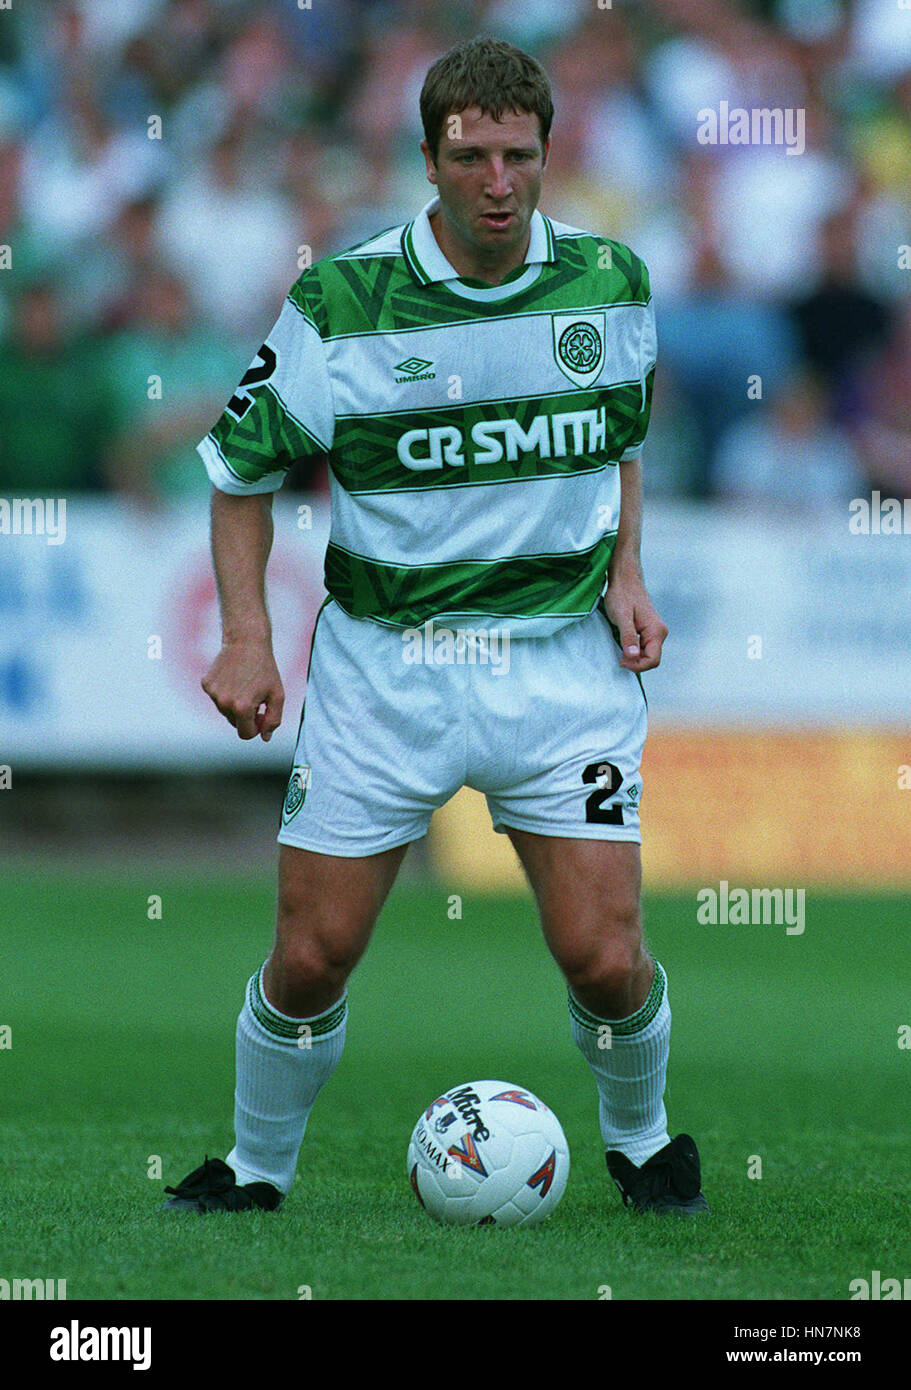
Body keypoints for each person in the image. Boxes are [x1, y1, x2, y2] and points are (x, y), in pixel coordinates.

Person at [162, 37, 708, 1219]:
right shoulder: (341, 301)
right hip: (383, 671)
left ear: (547, 154)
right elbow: (237, 471)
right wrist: (249, 637)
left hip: (558, 666)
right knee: (309, 958)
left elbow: (619, 438)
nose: (498, 182)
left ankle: (644, 1143)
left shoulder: (609, 279)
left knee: (607, 960)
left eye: (519, 155)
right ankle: (256, 1170)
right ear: (427, 159)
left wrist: (626, 569)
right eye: (471, 157)